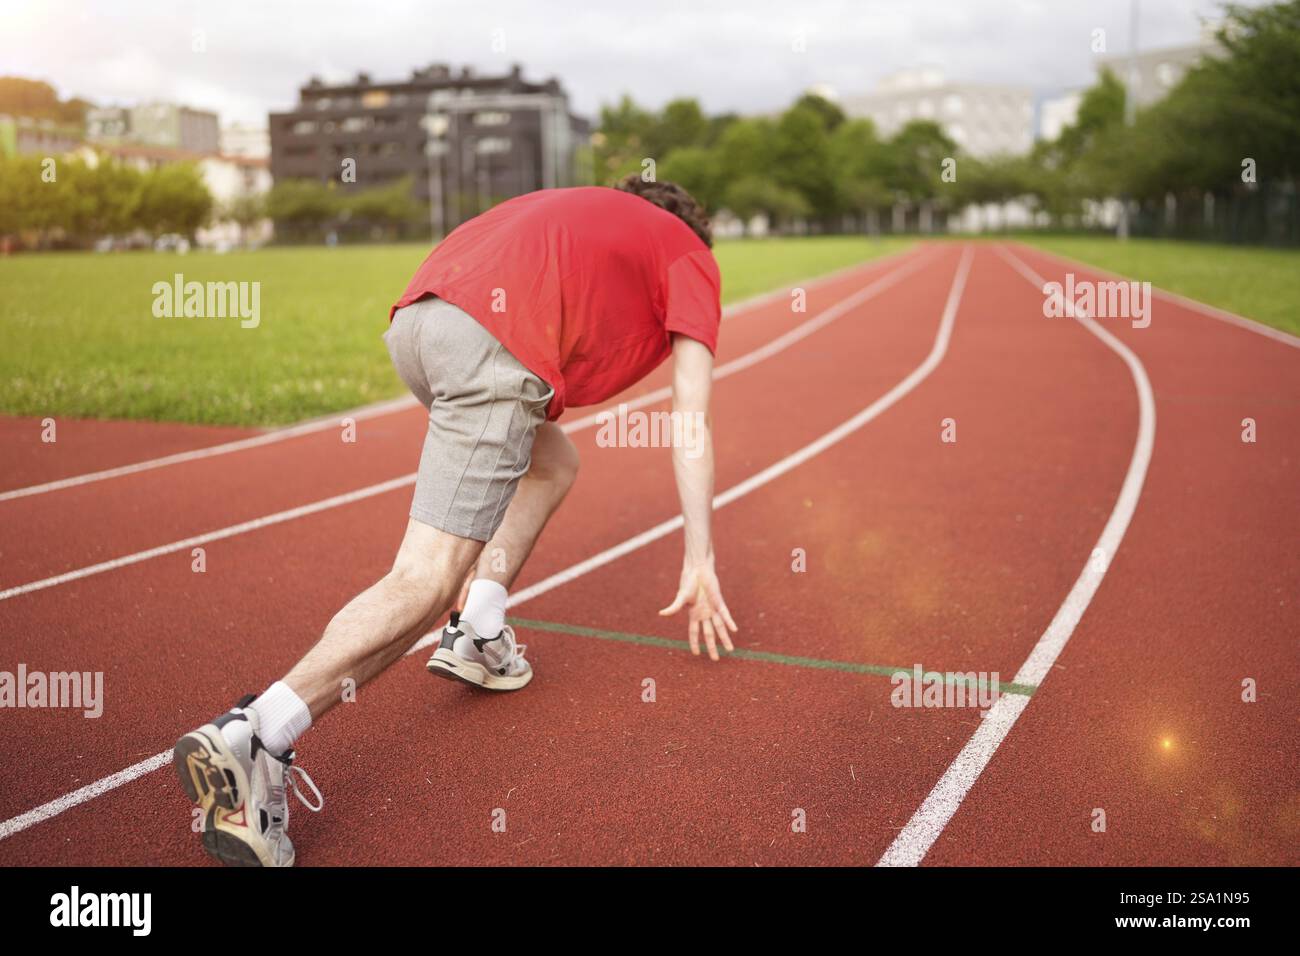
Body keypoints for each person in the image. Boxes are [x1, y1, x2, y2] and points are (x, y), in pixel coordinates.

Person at [173, 175, 739, 867]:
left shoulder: (581, 207)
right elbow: (691, 420)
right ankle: (258, 731)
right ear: (691, 228)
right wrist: (701, 556)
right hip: (493, 349)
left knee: (553, 462)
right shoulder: (690, 254)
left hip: (417, 323)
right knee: (424, 577)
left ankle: (481, 628)